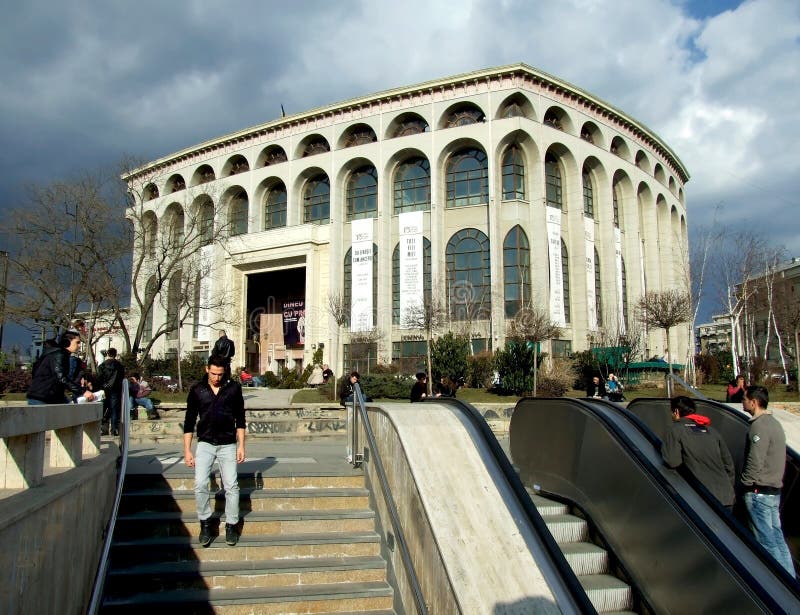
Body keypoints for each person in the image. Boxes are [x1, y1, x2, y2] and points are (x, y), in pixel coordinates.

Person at [183, 355, 246, 548]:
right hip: (205, 443)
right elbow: (189, 420)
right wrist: (187, 450)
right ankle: (205, 523)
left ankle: (231, 524)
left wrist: (241, 446)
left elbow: (240, 418)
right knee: (200, 483)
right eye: (213, 373)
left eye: (220, 374)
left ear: (224, 372)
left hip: (228, 443)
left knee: (231, 485)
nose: (216, 378)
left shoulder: (233, 388)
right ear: (207, 369)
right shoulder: (198, 389)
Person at [740, 385, 795, 577]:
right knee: (778, 539)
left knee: (766, 543)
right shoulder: (774, 424)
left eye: (744, 399)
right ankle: (789, 579)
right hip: (773, 491)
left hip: (759, 492)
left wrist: (745, 482)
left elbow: (755, 460)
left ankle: (777, 581)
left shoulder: (759, 426)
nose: (742, 402)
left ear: (754, 402)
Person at [661, 396, 735, 509]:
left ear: (676, 411)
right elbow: (728, 464)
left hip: (701, 497)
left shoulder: (675, 430)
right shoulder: (712, 431)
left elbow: (672, 461)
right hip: (726, 495)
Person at [27, 332, 95, 405]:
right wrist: (83, 392)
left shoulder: (60, 354)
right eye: (77, 342)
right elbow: (61, 378)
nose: (79, 345)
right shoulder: (58, 355)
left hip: (50, 396)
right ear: (67, 342)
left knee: (71, 409)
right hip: (42, 397)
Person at [98, 348, 126, 436]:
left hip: (104, 390)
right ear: (115, 354)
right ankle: (114, 429)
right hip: (116, 390)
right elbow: (122, 378)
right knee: (114, 410)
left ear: (107, 354)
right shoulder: (120, 366)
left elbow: (99, 378)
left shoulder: (102, 365)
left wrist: (102, 386)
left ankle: (100, 428)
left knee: (102, 409)